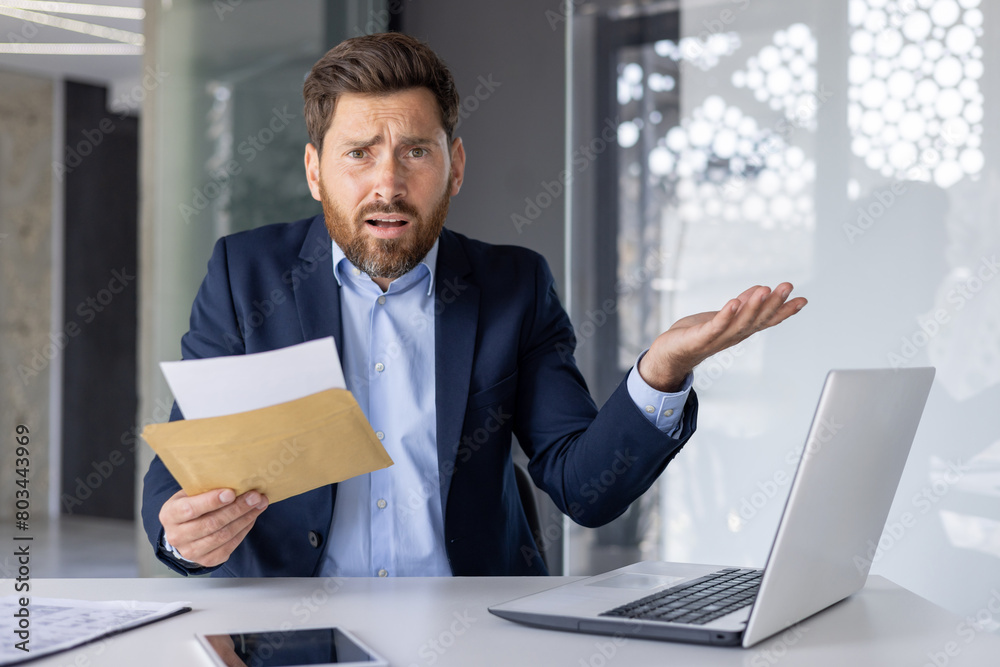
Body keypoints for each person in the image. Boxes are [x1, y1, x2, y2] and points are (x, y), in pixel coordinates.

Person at [141, 32, 806, 578]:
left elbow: (586, 486)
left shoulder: (514, 286)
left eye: (415, 151)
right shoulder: (246, 274)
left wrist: (661, 369)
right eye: (359, 154)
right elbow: (178, 476)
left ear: (455, 165)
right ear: (315, 170)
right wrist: (181, 532)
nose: (388, 183)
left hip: (470, 639)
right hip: (290, 645)